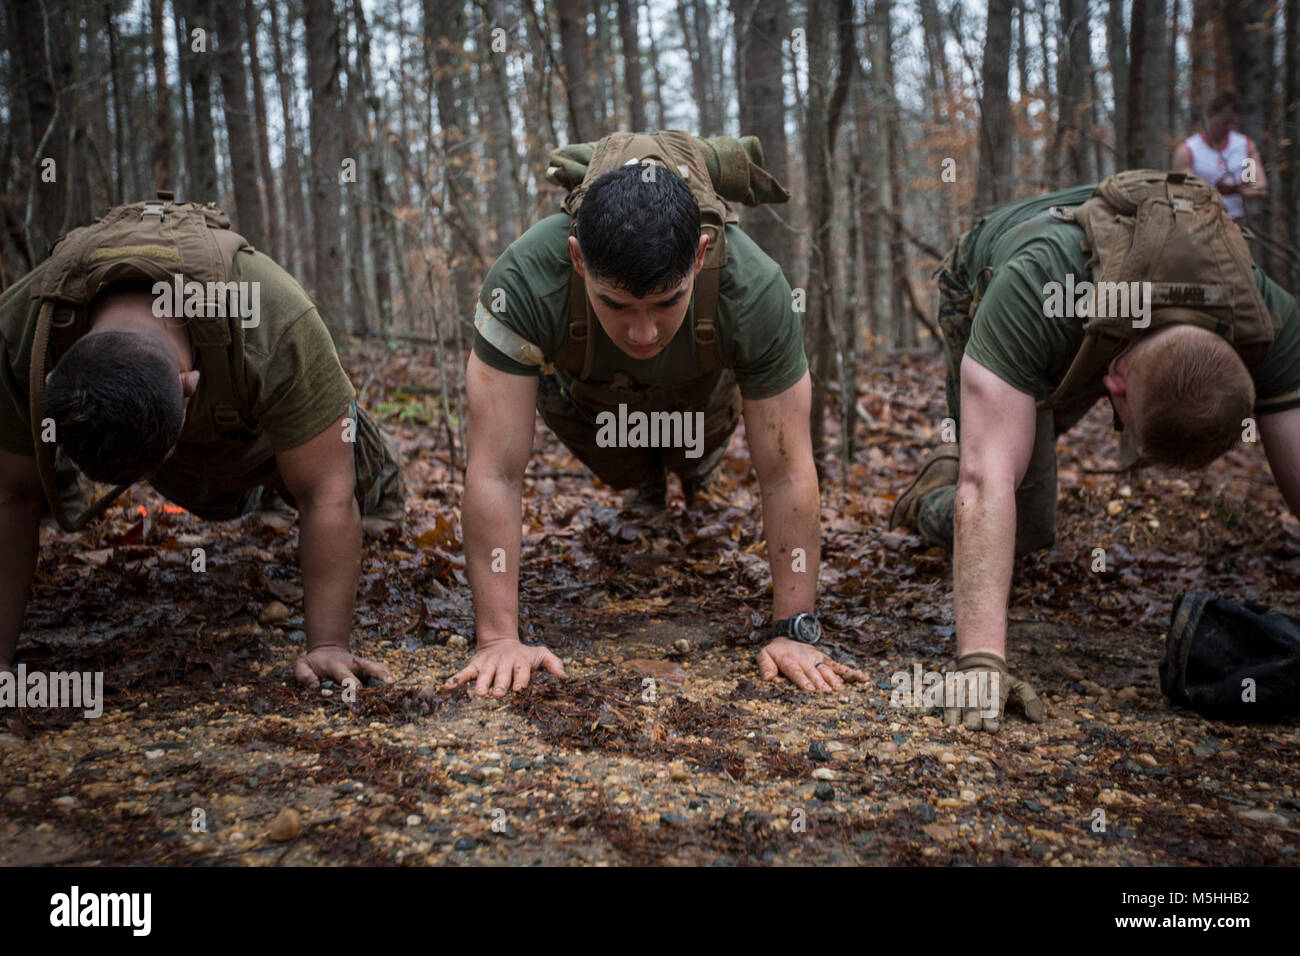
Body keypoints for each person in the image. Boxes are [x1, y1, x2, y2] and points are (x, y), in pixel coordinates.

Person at [453, 132, 867, 697]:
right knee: (631, 470)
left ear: (699, 255)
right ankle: (643, 480)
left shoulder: (754, 289)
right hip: (596, 414)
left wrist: (794, 631)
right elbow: (495, 470)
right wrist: (498, 639)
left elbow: (787, 469)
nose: (642, 332)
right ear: (578, 260)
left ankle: (693, 470)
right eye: (616, 305)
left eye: (667, 302)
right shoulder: (525, 280)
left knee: (695, 454)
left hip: (704, 410)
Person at [889, 170, 1300, 732]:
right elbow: (986, 482)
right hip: (997, 278)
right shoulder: (1036, 290)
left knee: (1021, 456)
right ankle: (925, 498)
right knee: (1025, 518)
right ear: (1115, 388)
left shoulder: (1267, 319)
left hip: (1095, 327)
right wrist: (982, 662)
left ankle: (1004, 435)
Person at [0, 196, 406, 691]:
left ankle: (272, 499)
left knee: (360, 467)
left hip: (255, 435)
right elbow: (11, 497)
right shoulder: (23, 333)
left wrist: (327, 646)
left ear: (190, 386)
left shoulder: (271, 316)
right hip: (161, 447)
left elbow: (327, 492)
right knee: (24, 472)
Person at [1172, 90, 1267, 221]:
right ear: (1210, 115)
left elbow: (1260, 188)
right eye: (1225, 121)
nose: (1229, 127)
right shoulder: (1188, 151)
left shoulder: (1245, 146)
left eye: (1233, 122)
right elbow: (1180, 193)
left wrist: (1239, 190)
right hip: (1201, 224)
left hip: (1238, 223)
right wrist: (1213, 191)